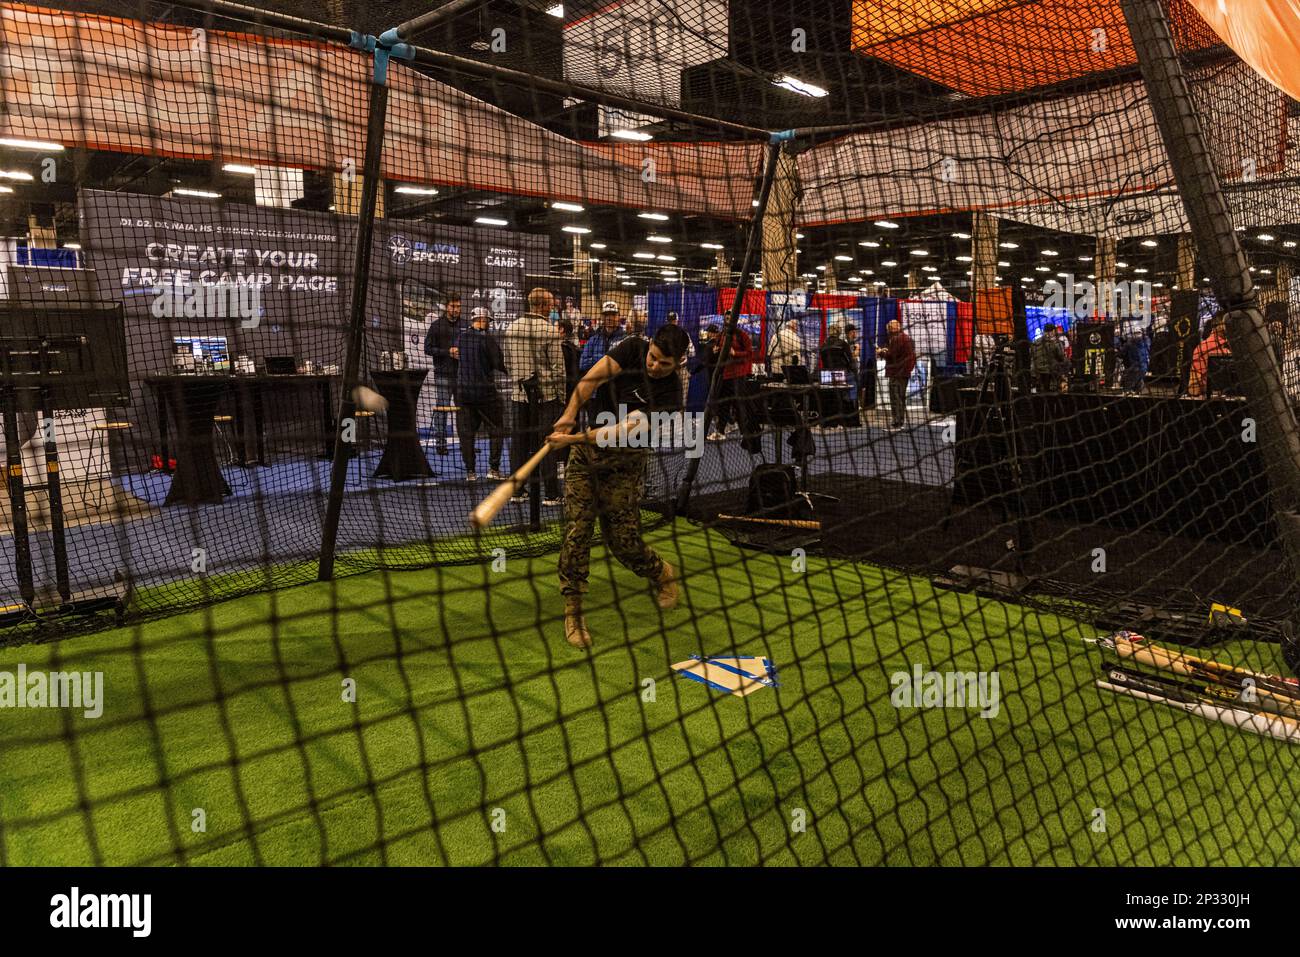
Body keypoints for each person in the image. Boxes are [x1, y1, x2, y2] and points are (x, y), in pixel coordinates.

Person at [546, 324, 691, 649]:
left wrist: (569, 438)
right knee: (578, 530)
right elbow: (592, 379)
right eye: (653, 358)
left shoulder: (669, 398)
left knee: (623, 541)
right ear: (650, 345)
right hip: (587, 458)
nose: (654, 366)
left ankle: (662, 573)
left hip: (625, 460)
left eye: (664, 364)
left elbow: (618, 431)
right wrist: (570, 414)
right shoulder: (632, 348)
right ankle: (574, 610)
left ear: (678, 363)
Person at [504, 288, 566, 506]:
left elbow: (508, 363)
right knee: (547, 444)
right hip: (545, 398)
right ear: (542, 306)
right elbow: (558, 369)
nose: (553, 308)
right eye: (550, 304)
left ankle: (517, 492)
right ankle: (550, 495)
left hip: (518, 396)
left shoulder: (512, 328)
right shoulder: (549, 331)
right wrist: (562, 398)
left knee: (519, 444)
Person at [454, 306, 507, 481]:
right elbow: (499, 362)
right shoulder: (487, 340)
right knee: (497, 428)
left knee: (467, 433)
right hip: (485, 392)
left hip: (463, 392)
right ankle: (493, 469)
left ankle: (470, 472)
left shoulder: (461, 337)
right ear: (483, 320)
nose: (489, 325)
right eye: (488, 322)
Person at [422, 294, 462, 455]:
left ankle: (466, 443)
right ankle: (440, 444)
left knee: (464, 410)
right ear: (446, 307)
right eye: (453, 306)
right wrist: (447, 352)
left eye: (459, 306)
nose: (456, 310)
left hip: (462, 375)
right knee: (442, 409)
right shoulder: (436, 326)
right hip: (443, 375)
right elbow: (427, 348)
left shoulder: (466, 325)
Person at [579, 301, 627, 418]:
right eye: (606, 315)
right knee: (595, 429)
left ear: (618, 317)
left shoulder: (626, 340)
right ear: (602, 317)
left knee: (617, 431)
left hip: (618, 394)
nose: (610, 318)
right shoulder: (594, 339)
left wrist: (597, 362)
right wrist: (608, 360)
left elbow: (626, 365)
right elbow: (583, 364)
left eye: (613, 314)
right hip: (595, 393)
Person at [877, 318, 915, 429]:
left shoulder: (898, 338)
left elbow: (891, 355)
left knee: (896, 398)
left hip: (897, 373)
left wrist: (881, 352)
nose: (888, 329)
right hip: (903, 372)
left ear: (896, 327)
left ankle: (897, 423)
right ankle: (899, 422)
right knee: (899, 398)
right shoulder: (904, 338)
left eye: (890, 327)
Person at [1188, 313, 1231, 398]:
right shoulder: (1204, 348)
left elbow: (1193, 390)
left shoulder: (1201, 348)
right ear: (1218, 325)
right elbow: (1194, 389)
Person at [665, 310, 695, 408]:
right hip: (669, 370)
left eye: (673, 321)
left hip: (681, 369)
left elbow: (692, 352)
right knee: (669, 397)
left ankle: (680, 421)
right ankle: (670, 421)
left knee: (682, 399)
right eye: (671, 321)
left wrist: (685, 357)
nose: (673, 323)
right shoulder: (663, 335)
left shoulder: (684, 334)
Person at [1031, 324, 1067, 393]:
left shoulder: (1035, 342)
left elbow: (1032, 355)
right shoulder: (1055, 343)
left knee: (1040, 392)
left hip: (1036, 371)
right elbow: (1061, 357)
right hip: (1049, 372)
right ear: (1053, 331)